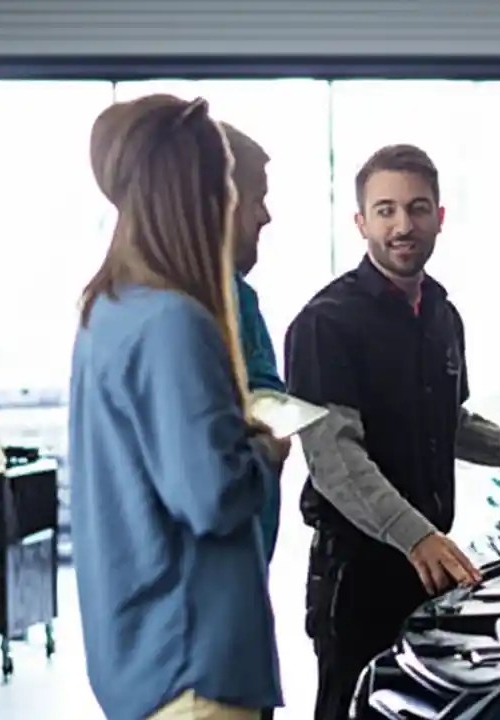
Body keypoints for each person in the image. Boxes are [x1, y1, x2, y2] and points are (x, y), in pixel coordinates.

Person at [283, 143, 500, 719]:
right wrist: (416, 536)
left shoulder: (442, 314)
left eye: (418, 208)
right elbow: (334, 460)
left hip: (427, 568)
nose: (403, 225)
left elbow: (445, 421)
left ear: (440, 217)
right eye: (386, 210)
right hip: (359, 571)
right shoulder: (325, 323)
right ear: (360, 222)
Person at [68, 93, 288, 720]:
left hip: (141, 658)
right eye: (224, 181)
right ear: (193, 192)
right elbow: (212, 496)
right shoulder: (174, 323)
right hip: (195, 666)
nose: (242, 206)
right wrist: (264, 449)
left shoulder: (107, 311)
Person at [219, 122, 283, 720]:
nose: (266, 216)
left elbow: (264, 389)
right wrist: (270, 446)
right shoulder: (182, 315)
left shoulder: (242, 298)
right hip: (207, 624)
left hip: (245, 578)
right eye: (258, 197)